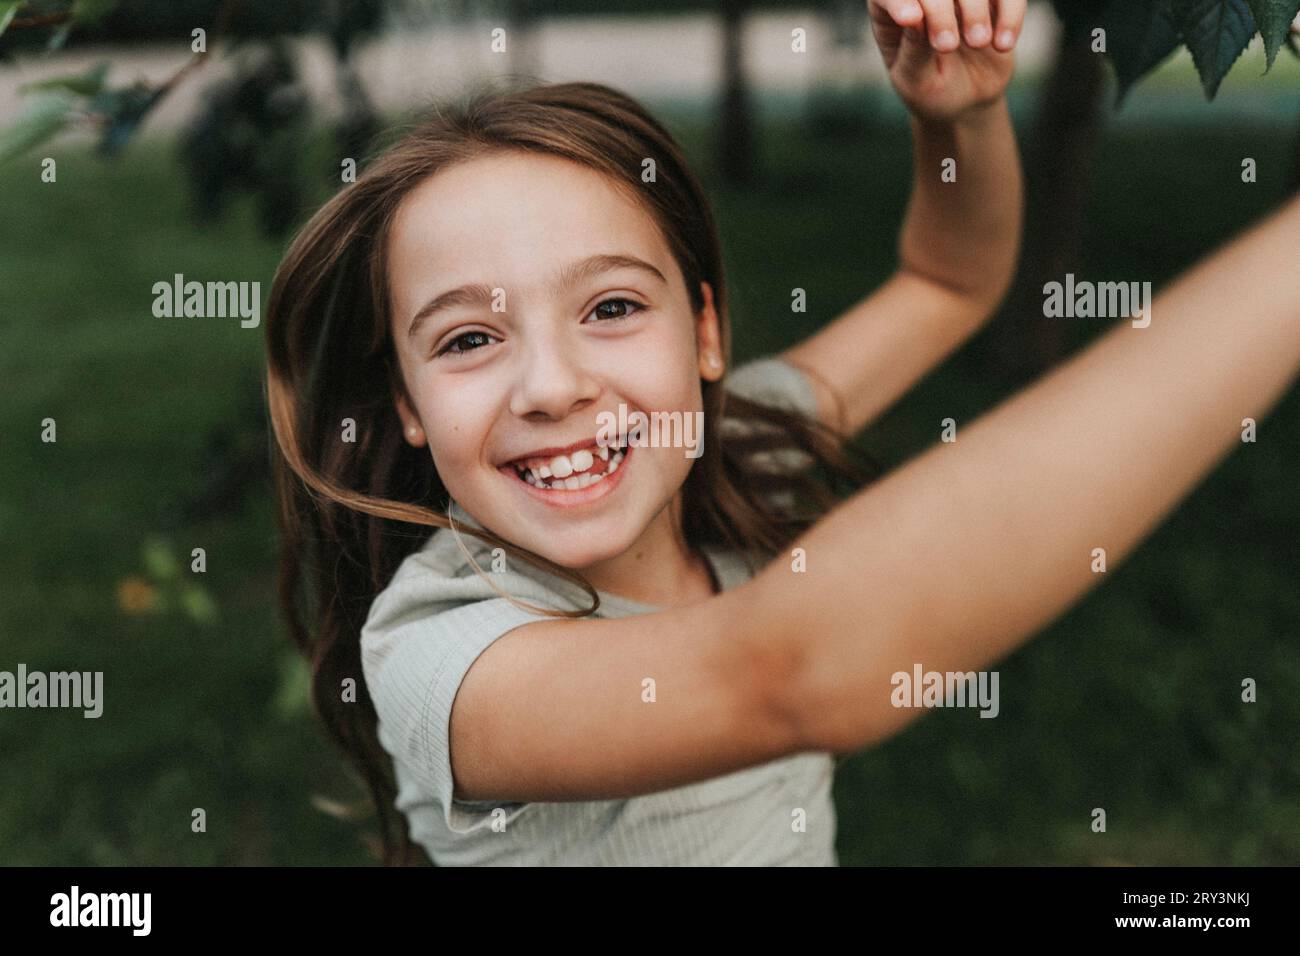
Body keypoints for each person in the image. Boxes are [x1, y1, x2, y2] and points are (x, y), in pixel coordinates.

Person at [264, 0, 1300, 865]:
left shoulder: (737, 440)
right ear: (407, 403)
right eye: (469, 338)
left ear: (706, 334)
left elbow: (948, 282)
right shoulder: (439, 654)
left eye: (612, 307)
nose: (551, 386)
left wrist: (959, 118)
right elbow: (789, 672)